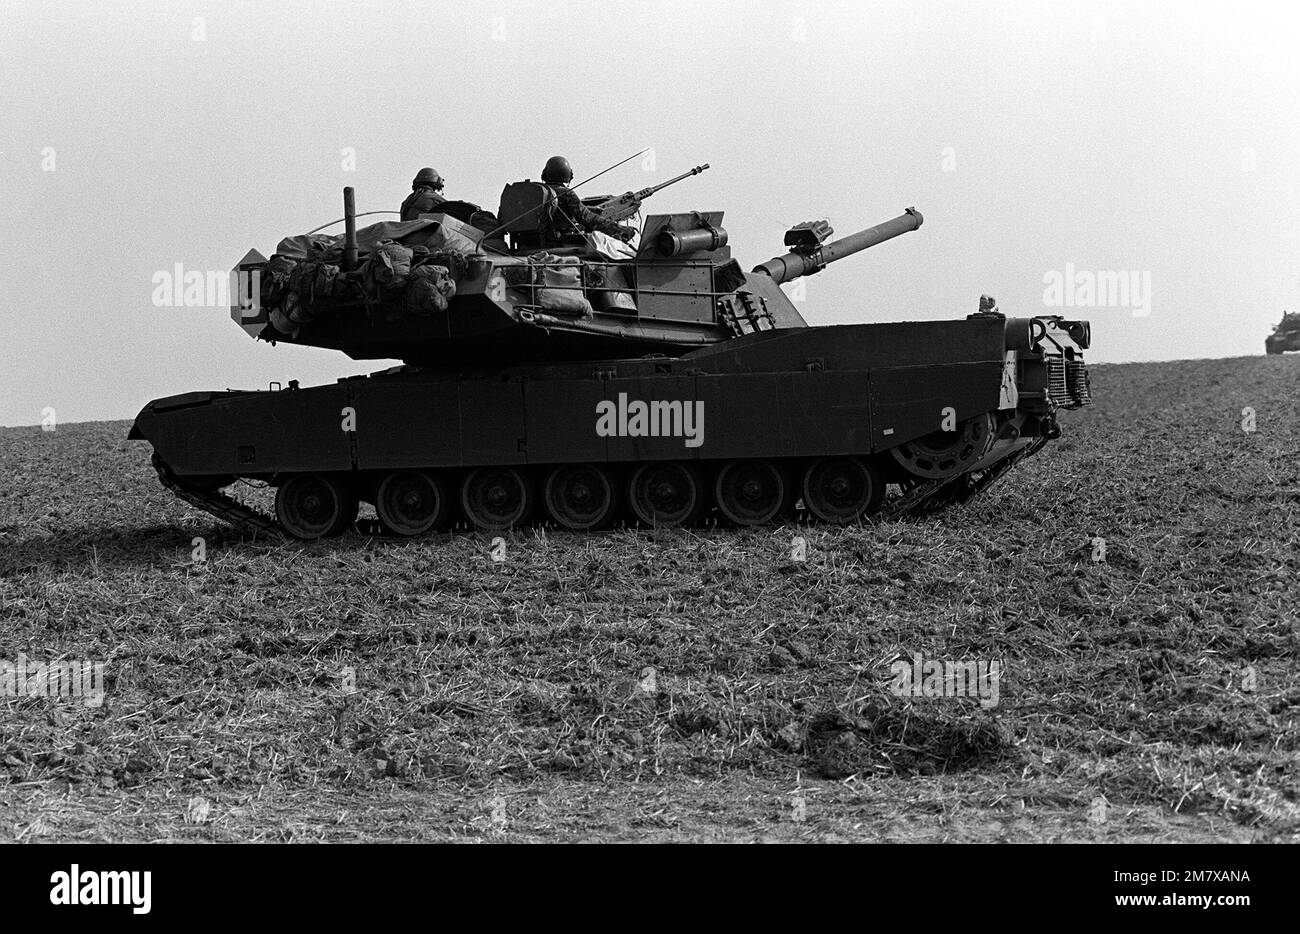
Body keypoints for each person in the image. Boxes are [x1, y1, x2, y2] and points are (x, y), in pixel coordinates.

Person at [540, 156, 634, 244]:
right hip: (560, 241)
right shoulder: (566, 194)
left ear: (545, 174)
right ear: (568, 174)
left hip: (536, 242)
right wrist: (620, 229)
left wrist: (589, 209)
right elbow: (588, 218)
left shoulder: (541, 193)